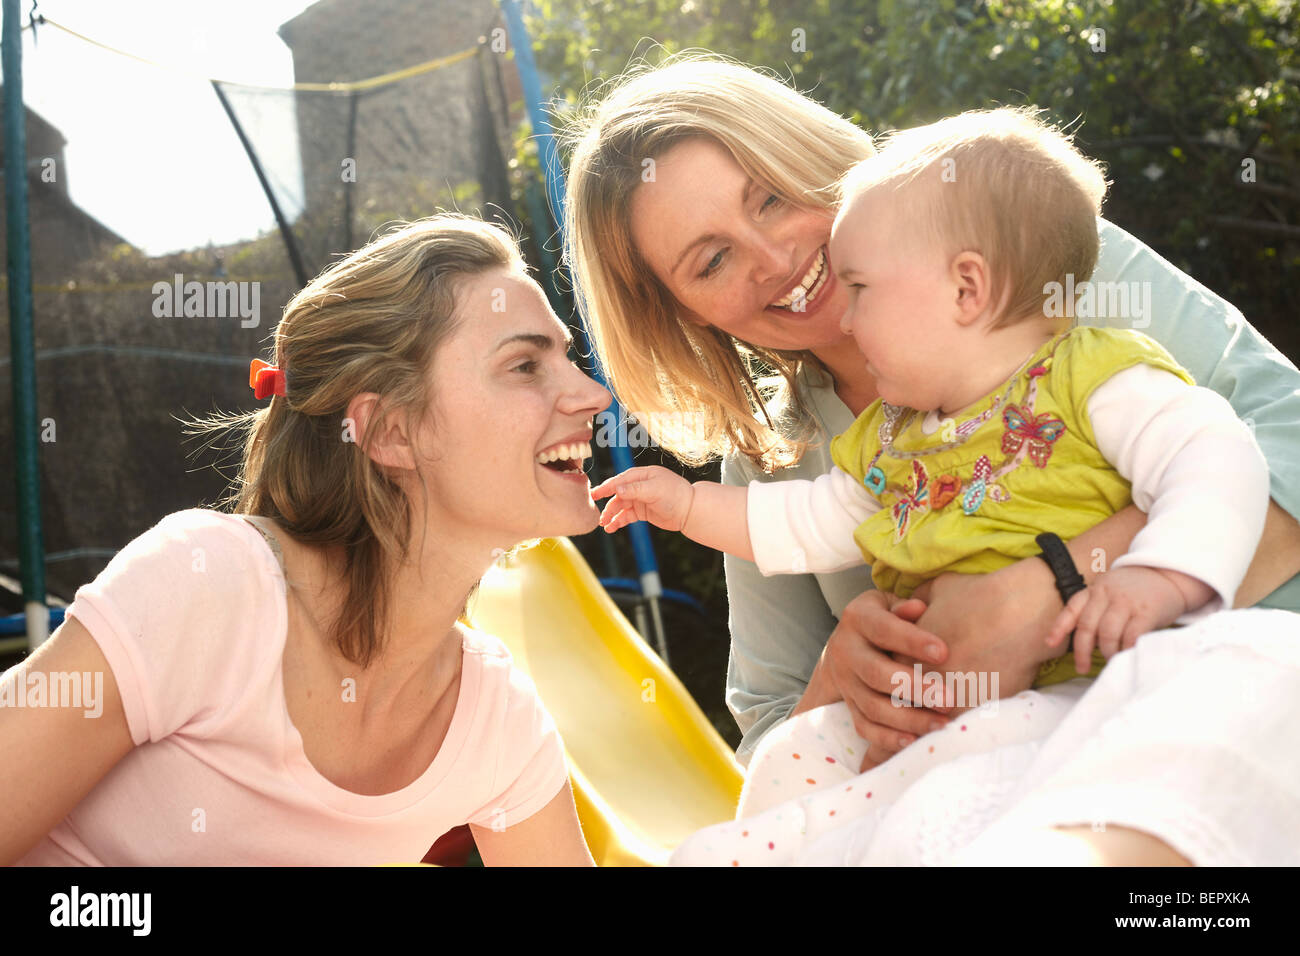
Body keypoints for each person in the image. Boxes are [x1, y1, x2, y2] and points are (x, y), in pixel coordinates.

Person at [563, 54, 1300, 863]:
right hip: (986, 784)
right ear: (682, 314)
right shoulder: (772, 461)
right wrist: (844, 676)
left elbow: (1280, 438)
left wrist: (1050, 586)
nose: (770, 258)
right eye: (711, 261)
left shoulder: (1035, 273)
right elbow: (775, 734)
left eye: (770, 196)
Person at [1, 214, 609, 866]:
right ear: (390, 432)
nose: (593, 394)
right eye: (525, 365)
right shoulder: (209, 590)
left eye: (567, 356)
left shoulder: (496, 721)